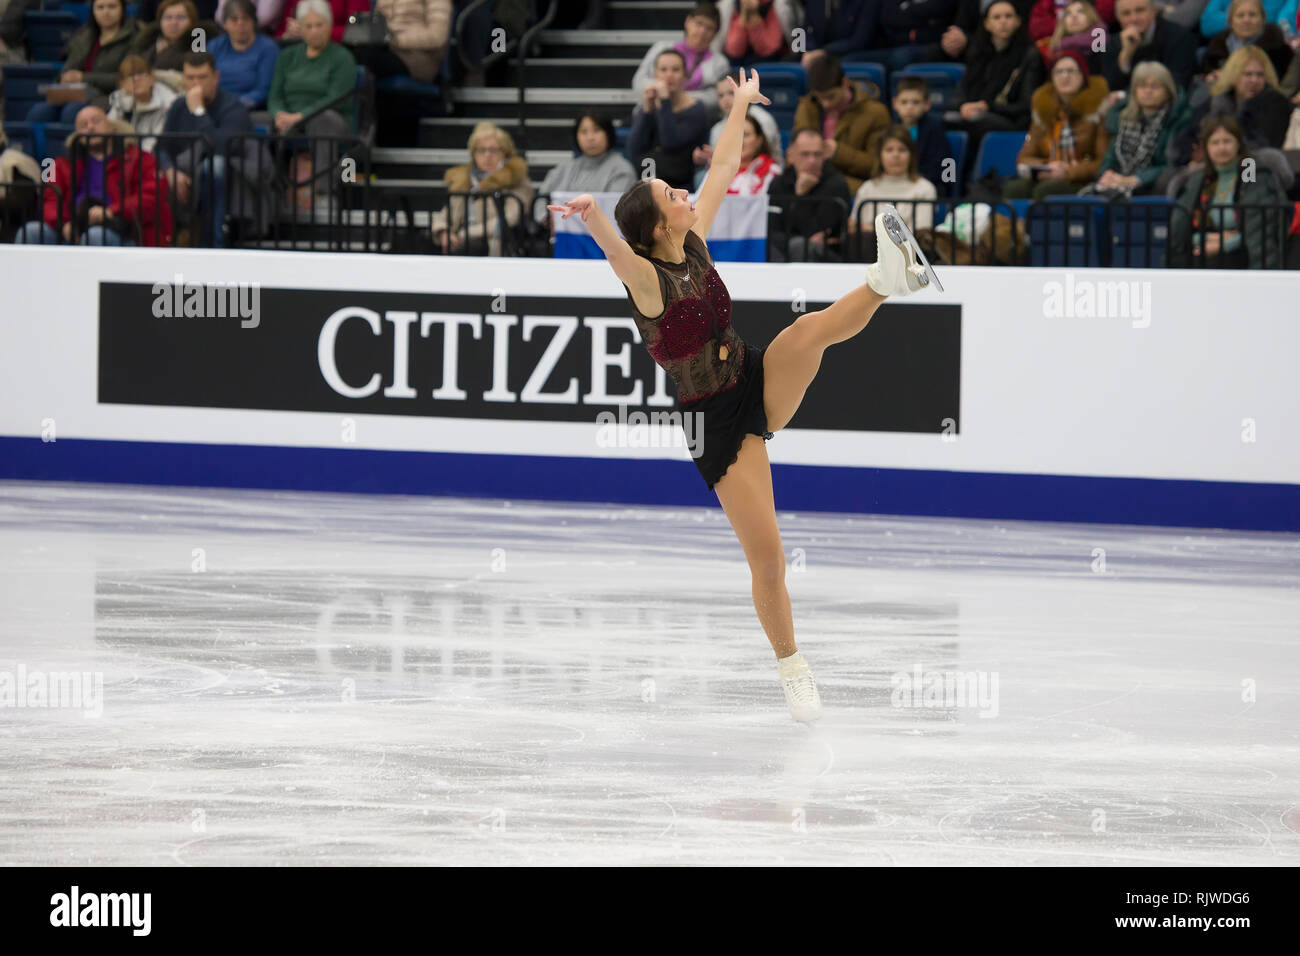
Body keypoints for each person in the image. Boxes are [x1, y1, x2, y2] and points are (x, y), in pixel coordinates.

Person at [547, 69, 943, 725]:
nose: (687, 194)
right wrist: (594, 221)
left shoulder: (692, 236)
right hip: (714, 421)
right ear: (653, 227)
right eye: (673, 193)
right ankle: (792, 666)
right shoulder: (648, 281)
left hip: (750, 372)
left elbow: (726, 163)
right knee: (769, 559)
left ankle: (888, 277)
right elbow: (619, 256)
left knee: (806, 332)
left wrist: (738, 108)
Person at [13, 104, 172, 245]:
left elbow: (152, 196)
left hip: (123, 231)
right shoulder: (59, 164)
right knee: (30, 231)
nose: (90, 127)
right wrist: (64, 223)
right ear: (77, 136)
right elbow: (49, 198)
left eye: (96, 121)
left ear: (111, 127)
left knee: (95, 236)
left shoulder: (141, 158)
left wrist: (112, 211)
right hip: (72, 231)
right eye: (83, 125)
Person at [267, 0, 357, 210]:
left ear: (329, 25)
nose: (314, 31)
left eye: (320, 25)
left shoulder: (342, 57)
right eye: (308, 26)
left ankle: (326, 196)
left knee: (322, 121)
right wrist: (278, 114)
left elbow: (336, 97)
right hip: (290, 118)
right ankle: (270, 195)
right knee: (253, 121)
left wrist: (300, 116)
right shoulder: (287, 56)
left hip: (333, 118)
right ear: (300, 27)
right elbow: (275, 95)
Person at [1169, 114, 1288, 267]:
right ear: (1206, 147)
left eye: (1227, 141)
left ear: (1238, 144)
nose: (1221, 148)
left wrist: (1225, 244)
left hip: (1242, 255)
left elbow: (1257, 229)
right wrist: (1209, 240)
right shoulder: (1200, 177)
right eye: (1215, 142)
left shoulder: (1250, 169)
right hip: (1205, 250)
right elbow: (1182, 226)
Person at [160, 51, 252, 246]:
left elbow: (220, 147)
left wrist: (199, 111)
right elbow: (163, 146)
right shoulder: (178, 106)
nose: (196, 84)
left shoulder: (233, 107)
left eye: (202, 77)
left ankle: (212, 242)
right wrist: (170, 170)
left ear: (216, 78)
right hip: (184, 177)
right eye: (190, 78)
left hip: (231, 179)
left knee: (214, 166)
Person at [946, 0, 1043, 163]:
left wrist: (987, 107)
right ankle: (952, 178)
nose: (1003, 21)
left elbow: (1027, 105)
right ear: (987, 24)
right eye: (997, 17)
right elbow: (959, 94)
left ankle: (976, 174)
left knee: (977, 122)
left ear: (1018, 21)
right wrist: (963, 106)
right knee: (946, 119)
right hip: (977, 112)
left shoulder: (1029, 55)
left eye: (1008, 16)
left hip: (1012, 120)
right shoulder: (978, 54)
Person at [1004, 49, 1111, 198]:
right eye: (1059, 72)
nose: (1065, 76)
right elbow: (1023, 158)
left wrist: (1068, 172)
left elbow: (1104, 161)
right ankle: (1013, 222)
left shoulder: (1098, 110)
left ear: (1083, 76)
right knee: (1014, 189)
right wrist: (1047, 167)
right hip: (1051, 174)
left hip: (1083, 181)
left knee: (1046, 190)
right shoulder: (1043, 111)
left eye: (1071, 71)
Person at [1170, 45, 1295, 166]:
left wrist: (1212, 156)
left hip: (1254, 168)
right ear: (1233, 76)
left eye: (1260, 75)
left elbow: (1264, 149)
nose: (1254, 80)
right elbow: (1189, 136)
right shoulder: (1215, 102)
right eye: (1248, 74)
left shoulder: (1276, 105)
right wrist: (1191, 156)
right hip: (1210, 168)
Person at [792, 52, 892, 193]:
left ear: (845, 83)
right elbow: (793, 155)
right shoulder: (807, 107)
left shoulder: (876, 113)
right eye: (820, 98)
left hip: (853, 187)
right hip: (810, 183)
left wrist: (838, 153)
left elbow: (879, 166)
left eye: (831, 97)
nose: (825, 104)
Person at [28, 0, 143, 123]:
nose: (106, 12)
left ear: (123, 9)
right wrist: (66, 77)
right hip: (77, 93)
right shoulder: (85, 35)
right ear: (93, 11)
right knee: (39, 112)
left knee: (72, 111)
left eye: (112, 6)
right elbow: (68, 69)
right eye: (100, 7)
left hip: (110, 97)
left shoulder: (135, 38)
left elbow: (126, 80)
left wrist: (84, 78)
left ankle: (72, 142)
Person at [430, 121, 533, 256]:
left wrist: (466, 234)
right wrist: (444, 232)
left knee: (469, 247)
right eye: (481, 150)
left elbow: (510, 218)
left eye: (494, 150)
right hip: (461, 241)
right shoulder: (464, 181)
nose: (487, 155)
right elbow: (445, 214)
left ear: (505, 153)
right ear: (473, 155)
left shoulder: (516, 180)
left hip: (495, 244)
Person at [1087, 60, 1188, 195]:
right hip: (1120, 185)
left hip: (1155, 188)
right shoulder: (1125, 119)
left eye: (1155, 86)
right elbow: (1110, 160)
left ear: (1168, 90)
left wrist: (1136, 179)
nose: (1148, 91)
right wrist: (1107, 176)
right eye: (1142, 86)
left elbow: (1172, 165)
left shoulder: (1179, 119)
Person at [627, 49, 711, 190]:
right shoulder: (649, 107)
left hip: (681, 186)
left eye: (675, 70)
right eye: (663, 70)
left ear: (685, 75)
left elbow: (670, 143)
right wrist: (647, 110)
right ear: (655, 75)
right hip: (648, 184)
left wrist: (665, 101)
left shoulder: (697, 110)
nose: (669, 75)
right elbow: (634, 150)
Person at [848, 126, 939, 255]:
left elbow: (919, 233)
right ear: (880, 156)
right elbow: (854, 226)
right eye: (889, 150)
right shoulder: (867, 187)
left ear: (911, 155)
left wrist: (872, 230)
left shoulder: (925, 188)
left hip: (908, 256)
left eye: (902, 150)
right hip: (869, 254)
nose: (895, 155)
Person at [767, 126, 853, 261]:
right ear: (790, 156)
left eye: (817, 154)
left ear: (824, 155)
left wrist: (801, 196)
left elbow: (817, 234)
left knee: (801, 246)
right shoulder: (778, 184)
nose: (812, 161)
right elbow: (772, 230)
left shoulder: (837, 185)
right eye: (805, 154)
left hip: (826, 257)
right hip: (782, 251)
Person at [630, 3, 731, 110]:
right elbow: (638, 82)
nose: (702, 31)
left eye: (709, 28)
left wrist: (679, 97)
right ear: (687, 22)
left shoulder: (719, 63)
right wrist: (660, 90)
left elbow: (719, 96)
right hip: (656, 109)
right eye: (699, 23)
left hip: (695, 117)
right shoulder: (661, 48)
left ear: (715, 34)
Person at [693, 70, 781, 187]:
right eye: (721, 95)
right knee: (701, 176)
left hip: (762, 172)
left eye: (731, 93)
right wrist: (709, 158)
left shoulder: (762, 120)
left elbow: (760, 154)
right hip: (733, 173)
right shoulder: (717, 129)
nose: (726, 99)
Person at [1102, 0, 1197, 91]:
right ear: (1118, 18)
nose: (1134, 19)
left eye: (1140, 10)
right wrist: (1126, 56)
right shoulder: (1113, 44)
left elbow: (1178, 85)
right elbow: (1111, 88)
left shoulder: (1179, 37)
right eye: (1126, 13)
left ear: (1154, 11)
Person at [132, 0, 224, 92]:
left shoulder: (199, 40)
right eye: (168, 18)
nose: (174, 22)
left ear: (192, 21)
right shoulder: (147, 43)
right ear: (160, 22)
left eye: (181, 18)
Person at [846, 0, 962, 71]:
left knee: (902, 57)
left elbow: (939, 10)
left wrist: (906, 10)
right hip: (895, 45)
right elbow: (889, 17)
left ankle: (898, 106)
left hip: (932, 46)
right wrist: (925, 21)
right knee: (850, 61)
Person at [539, 112, 637, 196]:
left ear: (608, 134)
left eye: (596, 130)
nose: (590, 137)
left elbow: (618, 213)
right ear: (576, 137)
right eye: (584, 132)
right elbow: (541, 203)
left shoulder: (622, 171)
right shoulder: (563, 169)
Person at [209, 0, 280, 109]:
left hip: (250, 110)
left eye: (246, 18)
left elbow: (263, 90)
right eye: (234, 19)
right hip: (215, 105)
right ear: (225, 24)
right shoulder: (214, 46)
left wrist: (235, 105)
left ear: (254, 22)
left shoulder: (268, 48)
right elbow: (204, 79)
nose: (240, 24)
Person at [360, 0, 451, 83]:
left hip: (418, 58)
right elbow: (377, 23)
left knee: (361, 57)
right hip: (386, 50)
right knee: (351, 52)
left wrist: (396, 40)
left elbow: (437, 37)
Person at [1201, 0, 1294, 80]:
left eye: (1252, 15)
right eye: (1240, 16)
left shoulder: (1278, 51)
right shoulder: (1216, 52)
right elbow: (1207, 24)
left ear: (1262, 19)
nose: (1246, 20)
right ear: (1230, 21)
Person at [106, 53, 179, 152]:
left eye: (141, 74)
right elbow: (108, 131)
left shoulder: (168, 103)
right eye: (130, 76)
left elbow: (159, 142)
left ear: (152, 78)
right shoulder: (119, 100)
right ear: (122, 84)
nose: (136, 79)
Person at [892, 76, 952, 188]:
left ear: (927, 104)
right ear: (895, 103)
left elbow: (946, 167)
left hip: (928, 184)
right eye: (904, 102)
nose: (909, 107)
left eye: (916, 102)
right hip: (897, 183)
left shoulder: (935, 129)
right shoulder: (891, 130)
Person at [698, 114, 781, 193]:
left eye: (745, 135)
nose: (739, 141)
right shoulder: (717, 169)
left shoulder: (772, 171)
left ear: (759, 140)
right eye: (735, 135)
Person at [712, 0, 798, 65]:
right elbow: (734, 52)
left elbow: (768, 51)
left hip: (774, 65)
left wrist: (754, 17)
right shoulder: (727, 5)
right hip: (736, 67)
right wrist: (744, 16)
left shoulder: (779, 4)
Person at [1034, 0, 1107, 73]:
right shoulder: (1054, 52)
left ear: (1091, 15)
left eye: (1081, 11)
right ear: (1063, 22)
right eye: (1068, 13)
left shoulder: (1102, 45)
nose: (1074, 16)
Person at [798, 0, 876, 66]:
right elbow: (806, 30)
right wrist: (809, 50)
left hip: (849, 52)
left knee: (839, 65)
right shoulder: (814, 2)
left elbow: (860, 41)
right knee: (792, 61)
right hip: (817, 52)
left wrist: (823, 52)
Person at [270, 0, 368, 43]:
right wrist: (286, 35)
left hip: (336, 52)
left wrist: (315, 31)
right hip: (297, 53)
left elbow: (360, 30)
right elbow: (282, 30)